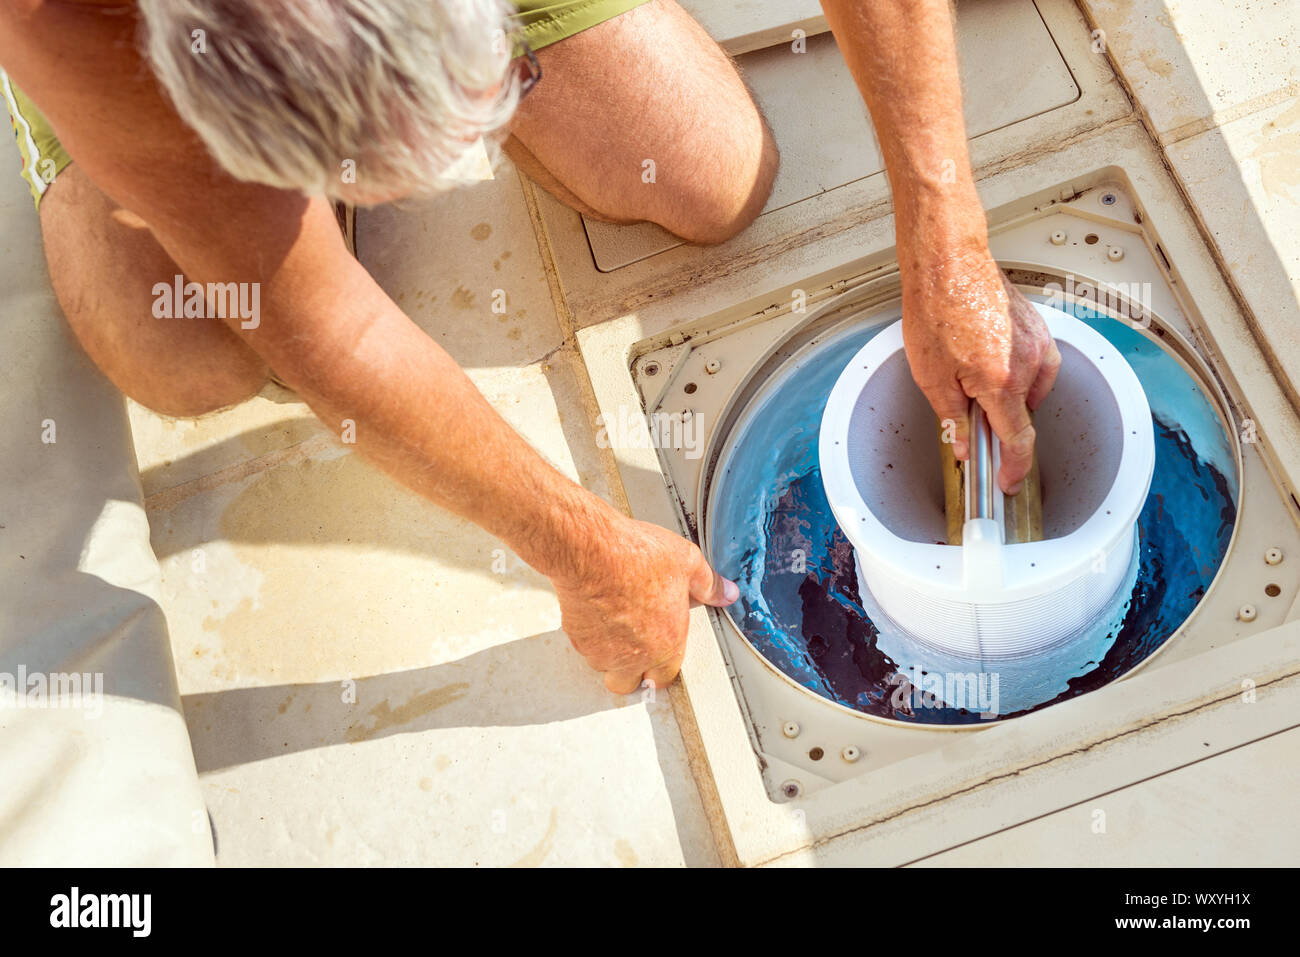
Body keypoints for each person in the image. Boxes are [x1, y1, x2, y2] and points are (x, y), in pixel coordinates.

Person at [0, 0, 1057, 698]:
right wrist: (579, 549)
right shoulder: (64, 20)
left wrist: (944, 232)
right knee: (185, 347)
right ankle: (147, 155)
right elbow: (321, 320)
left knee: (699, 172)